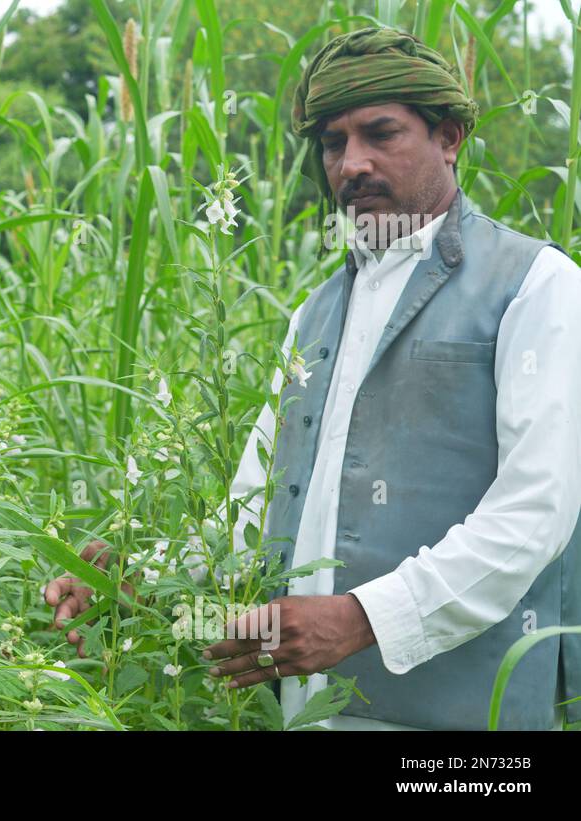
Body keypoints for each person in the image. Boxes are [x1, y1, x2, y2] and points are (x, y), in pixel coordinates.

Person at [44, 26, 581, 730]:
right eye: (333, 143)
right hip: (304, 714)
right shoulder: (315, 314)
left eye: (380, 133)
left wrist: (362, 617)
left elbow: (534, 513)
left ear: (448, 137)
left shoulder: (537, 285)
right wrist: (133, 576)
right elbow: (257, 507)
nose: (351, 163)